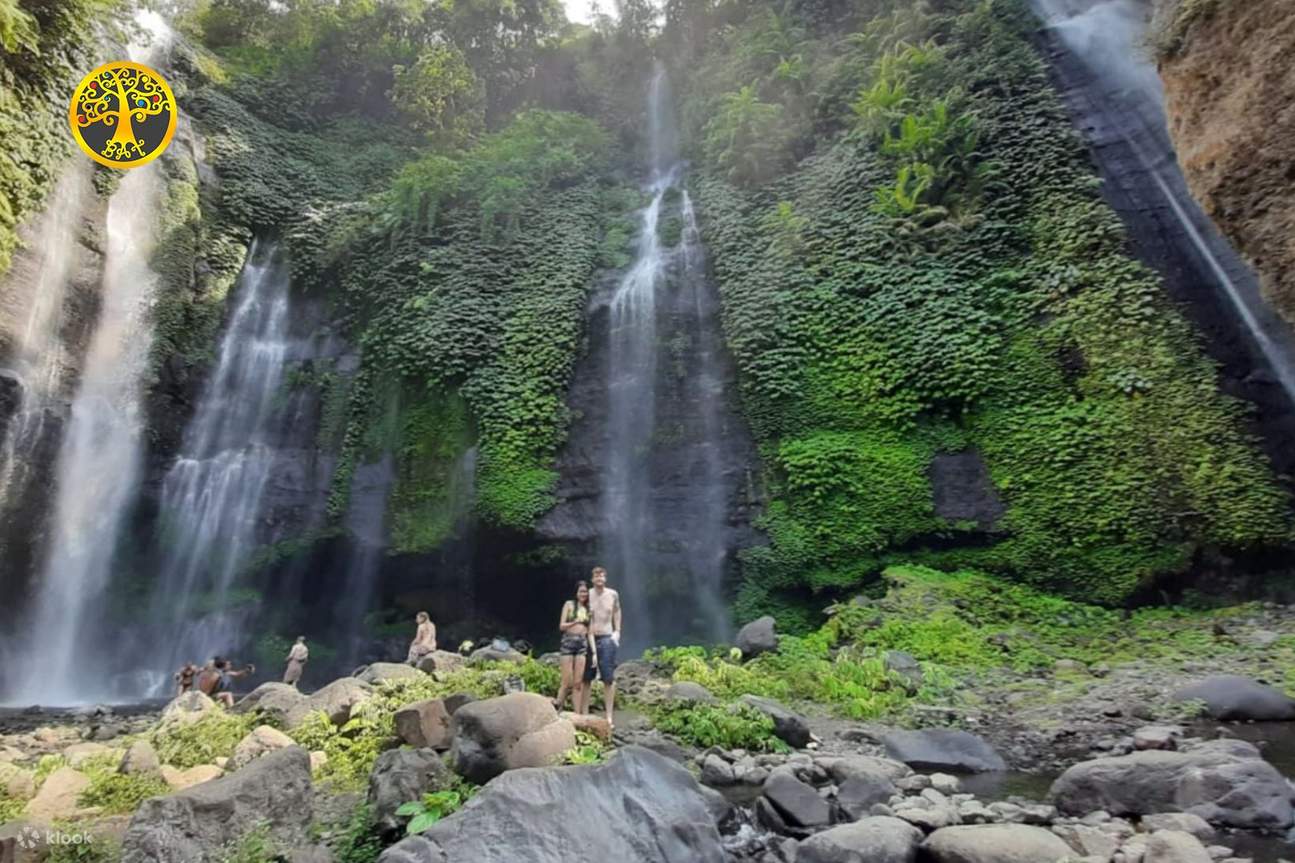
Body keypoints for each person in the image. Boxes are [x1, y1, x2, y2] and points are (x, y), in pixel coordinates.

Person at [582, 566, 622, 728]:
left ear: (605, 578)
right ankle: (583, 714)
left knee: (608, 678)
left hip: (607, 637)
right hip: (589, 637)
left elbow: (617, 611)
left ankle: (609, 717)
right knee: (586, 678)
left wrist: (617, 631)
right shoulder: (587, 595)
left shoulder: (613, 594)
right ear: (592, 579)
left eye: (602, 575)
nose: (599, 578)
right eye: (596, 576)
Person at [554, 581, 592, 713]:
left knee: (578, 683)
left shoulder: (589, 608)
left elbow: (590, 628)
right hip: (568, 642)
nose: (584, 594)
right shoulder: (569, 605)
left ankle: (577, 715)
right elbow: (561, 626)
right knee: (566, 682)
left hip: (582, 643)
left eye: (586, 591)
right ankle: (557, 710)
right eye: (581, 591)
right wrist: (574, 622)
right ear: (576, 593)